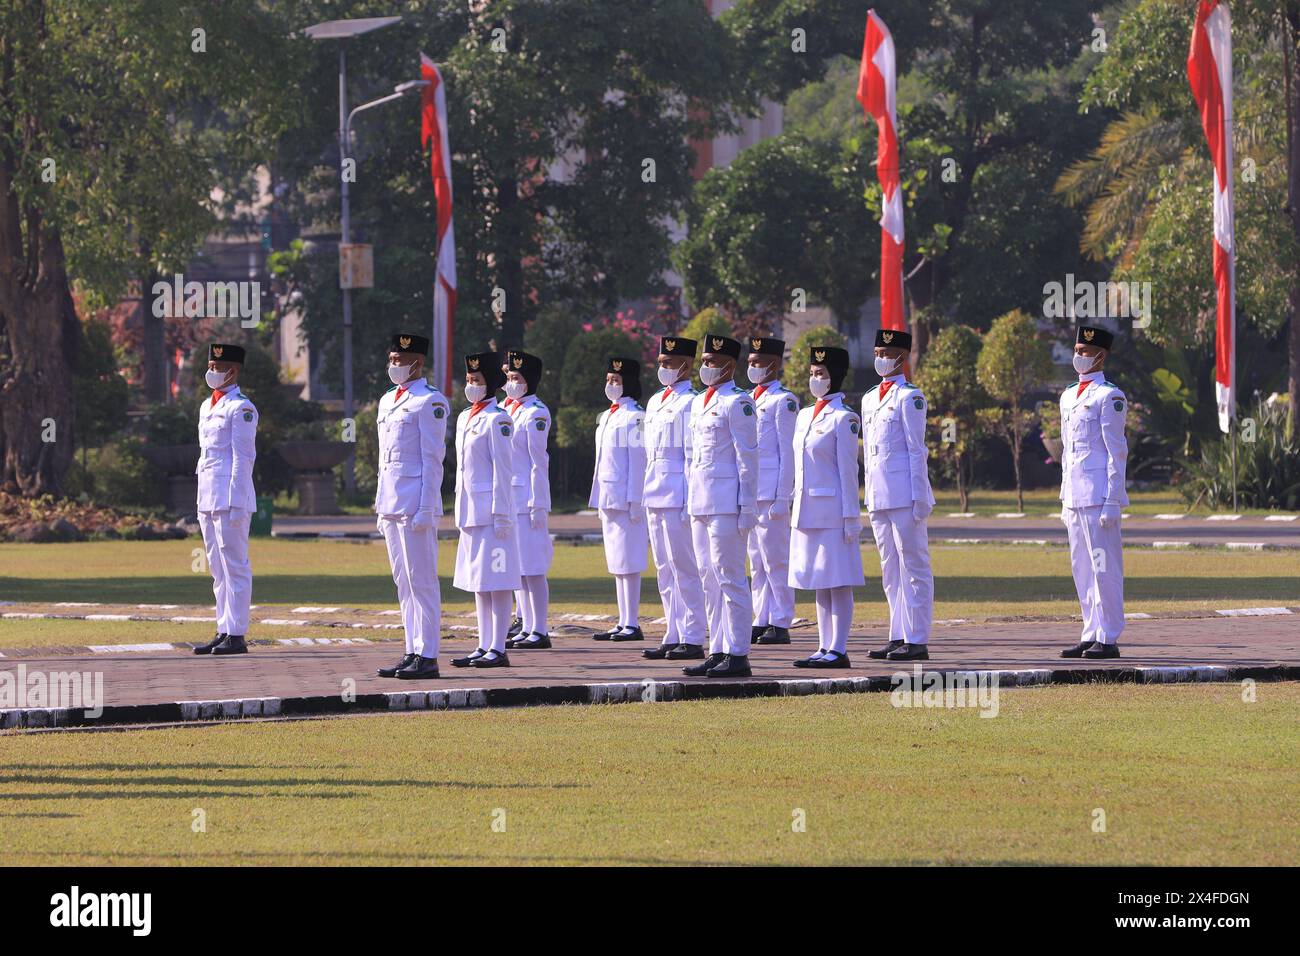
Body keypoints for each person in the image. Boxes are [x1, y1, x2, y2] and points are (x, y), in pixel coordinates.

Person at [373, 333, 449, 681]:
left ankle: (428, 654)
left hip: (416, 503)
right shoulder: (387, 400)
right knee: (402, 581)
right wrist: (380, 504)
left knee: (422, 580)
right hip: (391, 502)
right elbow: (383, 459)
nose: (393, 366)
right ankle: (411, 650)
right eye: (391, 359)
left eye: (399, 361)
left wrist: (427, 507)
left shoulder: (430, 401)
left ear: (417, 363)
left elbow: (433, 459)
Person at [682, 335, 758, 678]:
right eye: (704, 360)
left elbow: (747, 459)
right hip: (701, 501)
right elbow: (692, 456)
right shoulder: (699, 402)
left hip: (727, 504)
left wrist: (747, 507)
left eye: (712, 361)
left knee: (730, 577)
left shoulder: (738, 402)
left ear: (729, 365)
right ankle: (717, 649)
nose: (706, 366)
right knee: (707, 578)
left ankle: (738, 653)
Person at [861, 329, 935, 662]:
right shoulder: (869, 398)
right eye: (877, 353)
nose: (880, 359)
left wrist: (920, 496)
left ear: (901, 358)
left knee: (913, 564)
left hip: (905, 494)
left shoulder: (910, 397)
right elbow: (870, 452)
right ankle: (898, 634)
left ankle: (917, 638)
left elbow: (916, 450)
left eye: (886, 354)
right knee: (890, 568)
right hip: (878, 493)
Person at [789, 346, 865, 668]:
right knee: (819, 579)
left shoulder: (844, 418)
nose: (815, 379)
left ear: (835, 376)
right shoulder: (805, 415)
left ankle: (839, 648)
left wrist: (851, 518)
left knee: (839, 579)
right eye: (812, 373)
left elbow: (849, 472)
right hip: (806, 510)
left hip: (833, 511)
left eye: (820, 373)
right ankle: (823, 646)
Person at [1059, 325, 1128, 659]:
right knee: (1082, 567)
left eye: (1085, 351)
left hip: (1099, 495)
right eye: (1077, 350)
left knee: (1104, 567)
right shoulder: (1068, 396)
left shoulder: (1110, 396)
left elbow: (1117, 452)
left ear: (1101, 356)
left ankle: (1108, 635)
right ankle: (1090, 631)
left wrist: (1113, 499)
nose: (1079, 356)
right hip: (1075, 494)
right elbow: (1067, 450)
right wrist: (1064, 496)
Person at [450, 352, 522, 668]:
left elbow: (503, 471)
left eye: (477, 380)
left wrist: (502, 514)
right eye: (468, 380)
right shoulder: (464, 417)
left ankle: (498, 647)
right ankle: (482, 644)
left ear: (490, 382)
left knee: (499, 580)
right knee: (478, 581)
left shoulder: (498, 419)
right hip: (469, 510)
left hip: (493, 513)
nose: (471, 385)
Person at [641, 336, 707, 661]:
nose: (663, 368)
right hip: (654, 490)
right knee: (664, 568)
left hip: (678, 492)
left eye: (669, 363)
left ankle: (693, 636)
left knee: (685, 567)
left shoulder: (691, 402)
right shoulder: (656, 401)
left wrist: (689, 500)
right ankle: (673, 632)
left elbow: (693, 457)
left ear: (686, 365)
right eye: (661, 362)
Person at [192, 343, 257, 657]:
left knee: (235, 566)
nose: (212, 372)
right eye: (210, 366)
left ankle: (237, 633)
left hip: (230, 499)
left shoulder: (241, 408)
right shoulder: (207, 406)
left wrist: (236, 502)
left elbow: (243, 459)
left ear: (232, 371)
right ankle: (223, 628)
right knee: (217, 568)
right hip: (208, 496)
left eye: (217, 367)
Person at [589, 357, 649, 642]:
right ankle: (623, 620)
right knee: (616, 562)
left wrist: (636, 500)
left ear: (629, 383)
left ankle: (632, 622)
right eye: (609, 380)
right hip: (609, 496)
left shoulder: (636, 417)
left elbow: (638, 462)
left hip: (626, 498)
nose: (611, 385)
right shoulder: (607, 415)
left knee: (630, 561)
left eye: (616, 380)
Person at [744, 336, 797, 646]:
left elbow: (787, 452)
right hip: (750, 492)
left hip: (771, 491)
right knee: (756, 559)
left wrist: (782, 496)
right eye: (750, 362)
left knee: (775, 559)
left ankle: (781, 619)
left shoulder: (783, 401)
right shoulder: (746, 399)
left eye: (757, 362)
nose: (751, 367)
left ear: (773, 365)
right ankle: (761, 616)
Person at [500, 349, 554, 650]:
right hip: (509, 498)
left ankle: (540, 629)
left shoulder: (536, 413)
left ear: (529, 380)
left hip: (527, 499)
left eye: (516, 378)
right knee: (518, 568)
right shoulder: (506, 409)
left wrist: (539, 504)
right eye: (509, 377)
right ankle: (527, 625)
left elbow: (538, 462)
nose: (511, 382)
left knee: (534, 568)